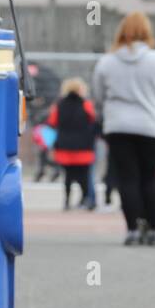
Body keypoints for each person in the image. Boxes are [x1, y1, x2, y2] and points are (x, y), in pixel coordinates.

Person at [91, 11, 155, 245]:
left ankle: (132, 229)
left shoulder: (107, 62)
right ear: (147, 32)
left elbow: (98, 98)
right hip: (149, 126)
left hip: (117, 127)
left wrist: (105, 112)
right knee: (150, 178)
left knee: (127, 178)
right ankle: (154, 228)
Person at [47, 78, 97, 210]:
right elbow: (93, 120)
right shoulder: (86, 104)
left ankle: (67, 202)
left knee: (68, 176)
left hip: (65, 147)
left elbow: (52, 122)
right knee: (84, 176)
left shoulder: (58, 105)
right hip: (84, 147)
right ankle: (87, 201)